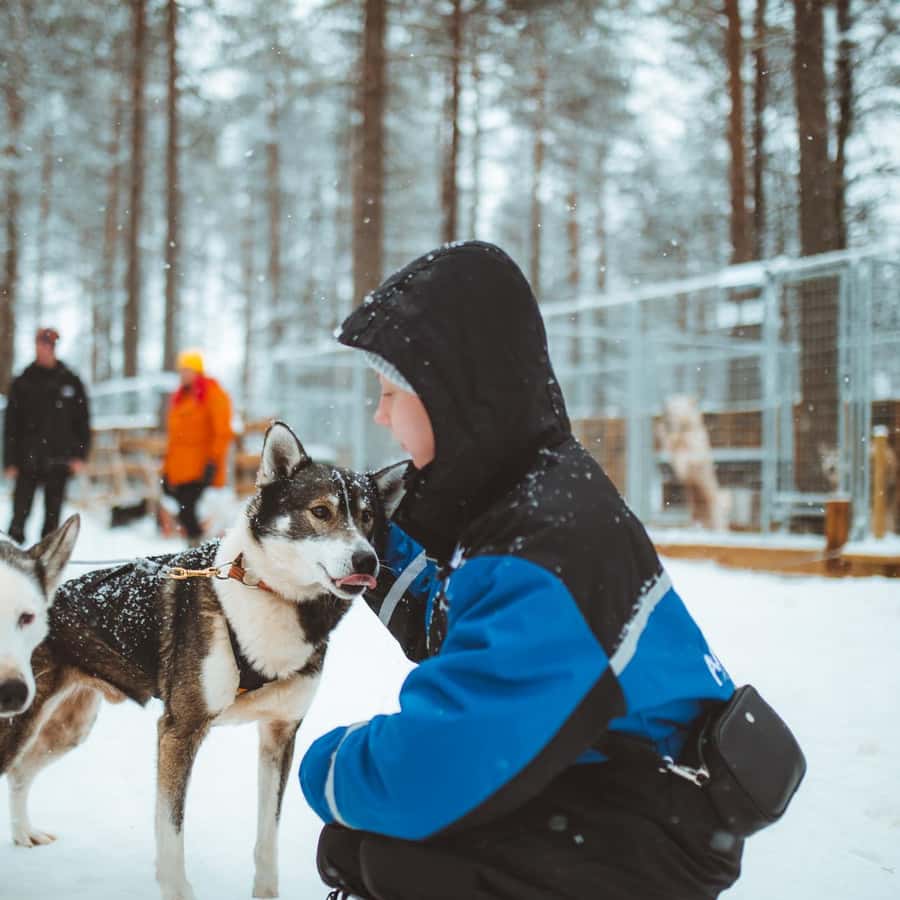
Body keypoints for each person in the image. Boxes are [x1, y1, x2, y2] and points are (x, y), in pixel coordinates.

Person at [299, 241, 745, 900]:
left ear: (453, 396)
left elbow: (439, 764)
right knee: (369, 847)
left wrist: (326, 766)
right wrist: (378, 550)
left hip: (649, 828)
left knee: (386, 853)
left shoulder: (543, 540)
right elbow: (467, 629)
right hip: (639, 790)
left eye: (392, 391)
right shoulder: (537, 489)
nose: (380, 413)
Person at [3, 327, 90, 544]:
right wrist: (10, 461)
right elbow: (11, 425)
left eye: (49, 344)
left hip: (59, 461)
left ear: (54, 347)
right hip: (27, 460)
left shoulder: (70, 381)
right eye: (41, 343)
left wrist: (80, 455)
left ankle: (46, 565)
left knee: (52, 521)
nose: (44, 348)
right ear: (35, 345)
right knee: (19, 515)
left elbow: (83, 422)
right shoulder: (23, 381)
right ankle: (11, 562)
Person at [160, 349, 233, 545]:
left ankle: (201, 553)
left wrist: (213, 462)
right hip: (180, 470)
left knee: (196, 514)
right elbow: (174, 439)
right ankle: (195, 552)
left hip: (201, 469)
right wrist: (166, 471)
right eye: (181, 370)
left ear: (198, 371)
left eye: (187, 370)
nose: (183, 374)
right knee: (186, 514)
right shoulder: (180, 398)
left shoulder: (213, 394)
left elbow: (222, 432)